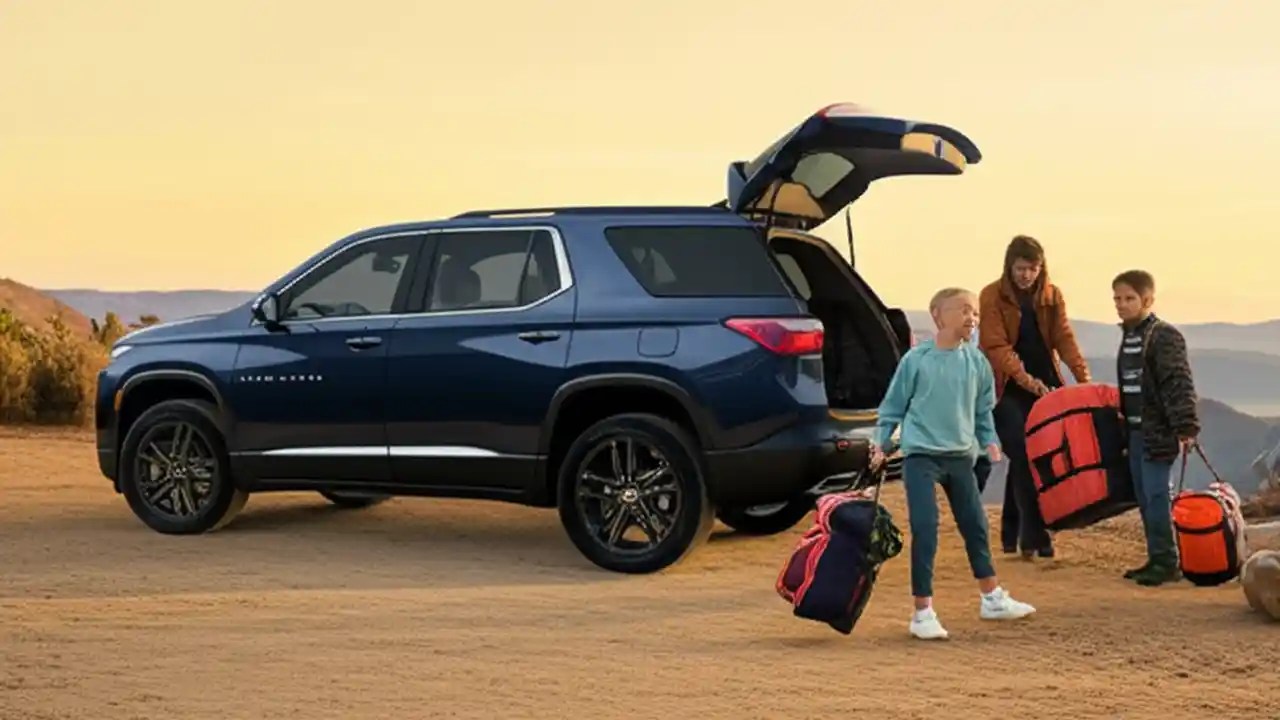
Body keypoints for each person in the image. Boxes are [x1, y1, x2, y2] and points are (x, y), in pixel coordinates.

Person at [872, 287, 1036, 641]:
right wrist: (881, 444)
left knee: (976, 525)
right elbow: (892, 407)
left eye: (974, 312)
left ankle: (992, 598)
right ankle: (922, 612)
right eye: (963, 310)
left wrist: (989, 441)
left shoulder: (976, 363)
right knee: (926, 528)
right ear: (937, 315)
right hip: (920, 456)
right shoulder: (916, 361)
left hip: (961, 456)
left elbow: (982, 412)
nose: (971, 318)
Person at [978, 235, 1091, 560]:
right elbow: (996, 347)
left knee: (1030, 457)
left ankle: (1011, 534)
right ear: (1009, 267)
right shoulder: (992, 296)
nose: (1026, 274)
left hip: (1044, 384)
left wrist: (1082, 379)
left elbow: (1063, 337)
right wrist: (1028, 381)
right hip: (1005, 389)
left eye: (1033, 268)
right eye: (1021, 268)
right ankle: (1035, 537)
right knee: (1026, 453)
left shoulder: (1051, 296)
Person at [1112, 269, 1200, 586]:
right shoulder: (1130, 336)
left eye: (1129, 298)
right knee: (1145, 497)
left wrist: (1185, 427)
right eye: (1117, 299)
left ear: (1147, 299)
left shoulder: (1164, 336)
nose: (1121, 305)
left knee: (1157, 495)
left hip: (1157, 432)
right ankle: (1156, 557)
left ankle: (1167, 562)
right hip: (1134, 432)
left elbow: (1178, 383)